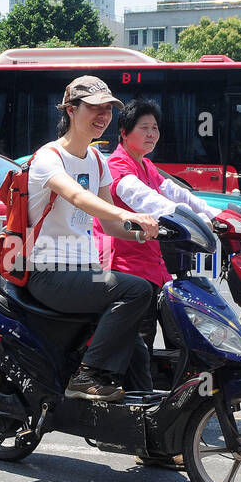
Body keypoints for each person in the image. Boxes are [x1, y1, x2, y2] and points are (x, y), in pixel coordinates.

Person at [25, 76, 160, 402]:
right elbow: (78, 197)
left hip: (84, 270)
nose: (103, 116)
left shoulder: (97, 160)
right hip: (49, 271)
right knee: (136, 290)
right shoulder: (49, 158)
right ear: (71, 110)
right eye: (94, 108)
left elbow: (109, 225)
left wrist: (149, 233)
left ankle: (151, 438)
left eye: (108, 109)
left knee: (136, 346)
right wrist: (128, 216)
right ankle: (85, 376)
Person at [94, 98, 222, 354]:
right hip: (127, 268)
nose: (152, 133)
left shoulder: (146, 165)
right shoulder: (118, 165)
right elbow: (144, 199)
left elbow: (176, 193)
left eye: (155, 127)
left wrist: (217, 214)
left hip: (152, 265)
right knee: (142, 341)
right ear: (124, 132)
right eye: (144, 127)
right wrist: (189, 218)